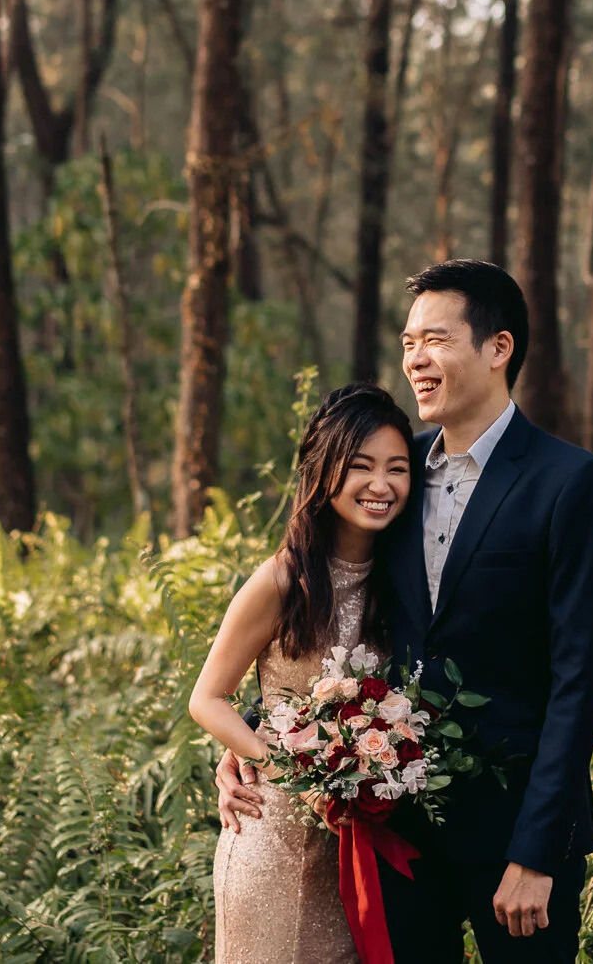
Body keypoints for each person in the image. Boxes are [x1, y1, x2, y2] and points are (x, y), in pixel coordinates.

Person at [216, 260, 593, 963]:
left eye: (434, 338)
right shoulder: (395, 473)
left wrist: (537, 852)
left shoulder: (571, 483)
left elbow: (578, 683)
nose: (416, 359)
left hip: (515, 843)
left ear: (498, 347)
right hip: (399, 837)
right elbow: (335, 619)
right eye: (408, 342)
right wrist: (255, 732)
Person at [191, 383, 417, 964]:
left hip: (356, 851)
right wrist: (286, 769)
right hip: (271, 836)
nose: (381, 485)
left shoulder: (402, 584)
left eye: (397, 469)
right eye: (362, 466)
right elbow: (208, 699)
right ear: (325, 471)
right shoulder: (282, 579)